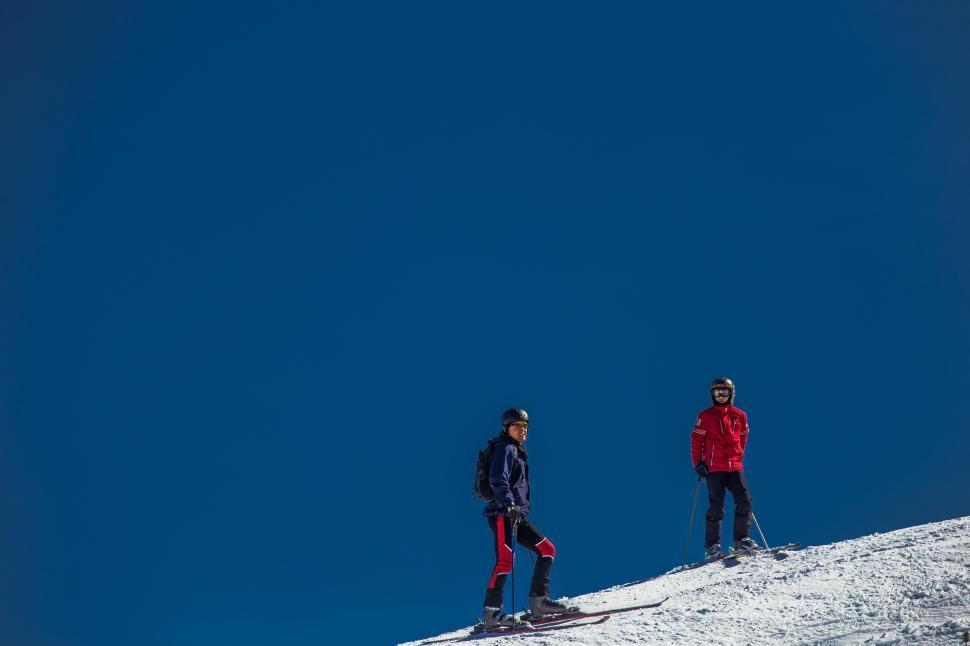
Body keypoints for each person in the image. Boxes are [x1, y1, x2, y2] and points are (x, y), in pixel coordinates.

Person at [481, 408, 576, 630]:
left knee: (547, 549)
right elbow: (497, 479)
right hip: (503, 514)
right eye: (518, 426)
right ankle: (492, 613)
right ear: (507, 428)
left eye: (525, 427)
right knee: (505, 560)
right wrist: (508, 505)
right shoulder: (505, 449)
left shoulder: (517, 451)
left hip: (517, 515)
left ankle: (539, 602)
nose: (523, 430)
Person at [690, 377, 761, 560]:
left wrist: (737, 456)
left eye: (724, 393)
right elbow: (697, 441)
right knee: (717, 506)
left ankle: (741, 540)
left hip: (733, 466)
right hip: (713, 467)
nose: (721, 396)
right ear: (712, 395)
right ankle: (712, 547)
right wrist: (699, 463)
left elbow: (743, 438)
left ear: (731, 394)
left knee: (745, 500)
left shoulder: (740, 416)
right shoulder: (705, 416)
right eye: (717, 393)